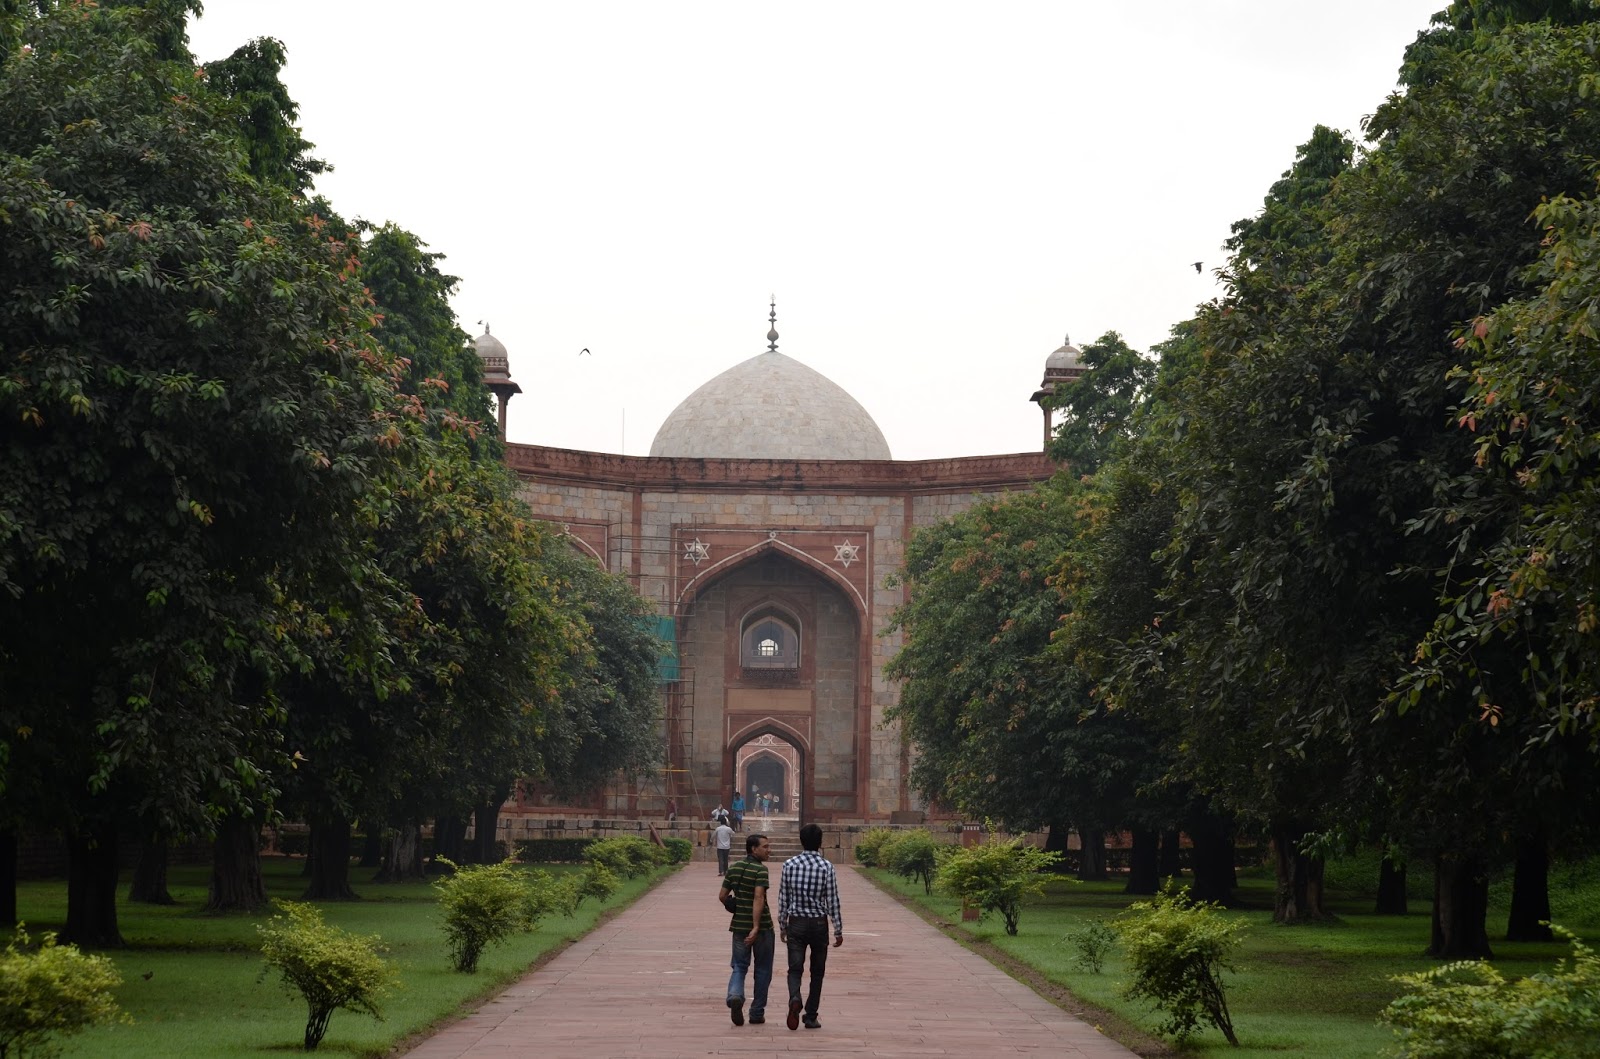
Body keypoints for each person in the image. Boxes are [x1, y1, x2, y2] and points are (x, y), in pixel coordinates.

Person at [778, 823, 843, 1031]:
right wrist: (838, 929)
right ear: (820, 842)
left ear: (801, 840)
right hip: (818, 924)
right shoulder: (826, 867)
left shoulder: (789, 864)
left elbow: (783, 898)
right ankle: (811, 1015)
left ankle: (794, 997)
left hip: (796, 922)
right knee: (817, 971)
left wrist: (782, 924)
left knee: (795, 969)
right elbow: (832, 899)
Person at [718, 833, 773, 1027]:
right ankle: (756, 1012)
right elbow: (759, 898)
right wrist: (756, 926)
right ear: (753, 849)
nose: (769, 850)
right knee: (763, 969)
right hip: (763, 927)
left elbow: (722, 895)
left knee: (740, 966)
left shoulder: (734, 869)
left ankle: (735, 995)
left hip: (739, 926)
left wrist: (734, 905)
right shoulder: (760, 871)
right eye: (765, 847)